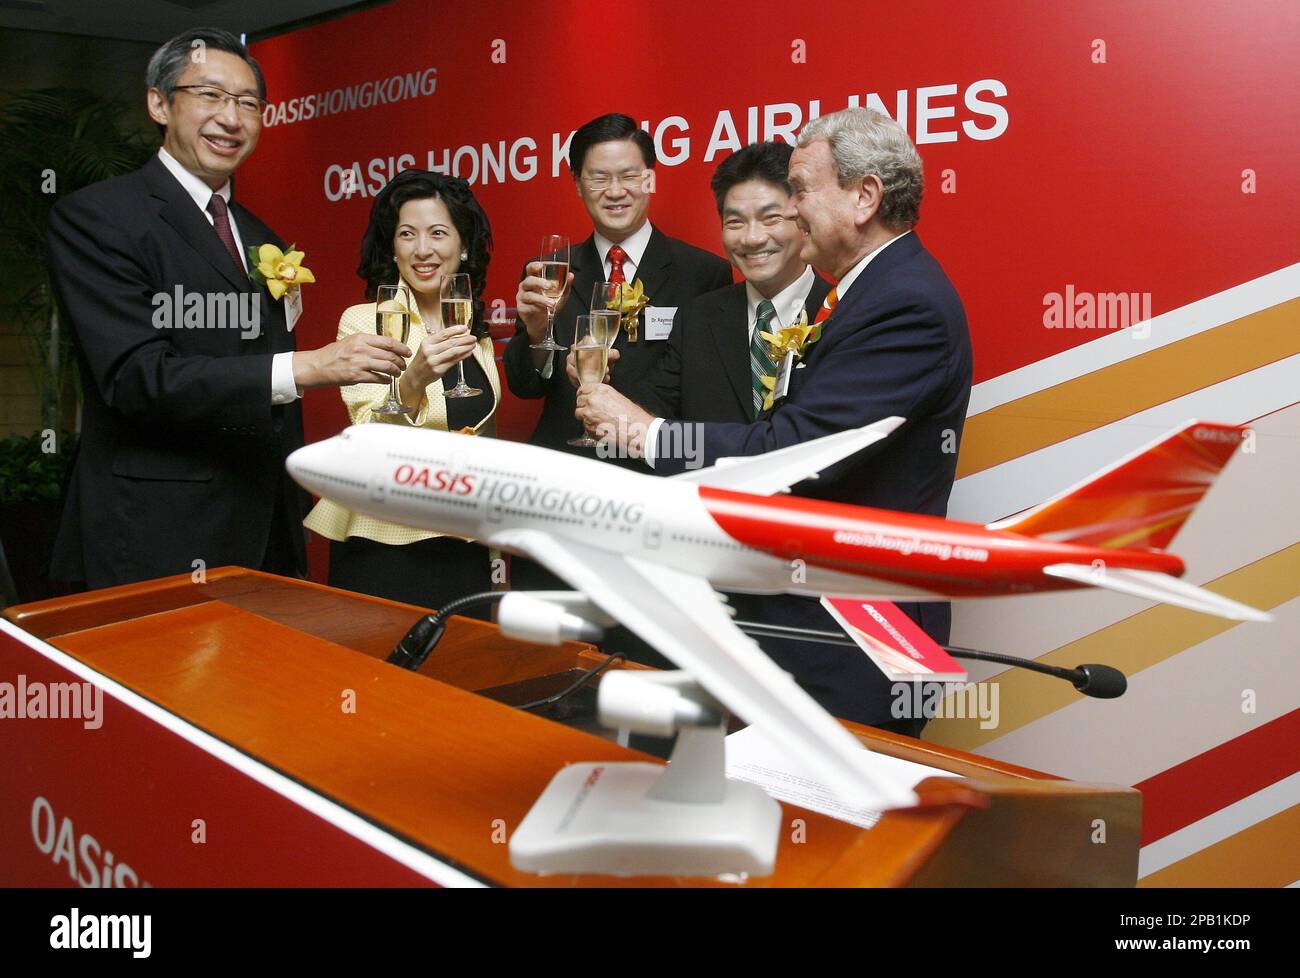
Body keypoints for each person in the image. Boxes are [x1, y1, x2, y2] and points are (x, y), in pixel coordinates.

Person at [576, 109, 973, 732]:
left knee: (835, 821)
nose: (792, 210)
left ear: (864, 196)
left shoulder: (903, 303)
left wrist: (644, 432)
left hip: (858, 632)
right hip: (806, 622)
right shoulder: (871, 290)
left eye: (801, 191)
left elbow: (797, 448)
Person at [46, 27, 409, 590]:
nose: (231, 118)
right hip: (155, 535)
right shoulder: (99, 217)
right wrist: (309, 366)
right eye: (210, 95)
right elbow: (136, 377)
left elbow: (263, 386)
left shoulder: (261, 237)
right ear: (159, 103)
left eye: (248, 103)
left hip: (263, 532)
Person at [303, 170, 500, 614]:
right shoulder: (363, 321)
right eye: (407, 234)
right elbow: (369, 437)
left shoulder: (473, 328)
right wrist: (414, 378)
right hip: (386, 539)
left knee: (456, 674)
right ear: (393, 247)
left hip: (462, 538)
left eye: (437, 233)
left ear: (463, 245)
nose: (422, 249)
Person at [503, 112, 732, 454]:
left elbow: (710, 392)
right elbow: (525, 386)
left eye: (629, 176)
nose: (615, 191)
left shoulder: (703, 273)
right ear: (578, 184)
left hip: (654, 467)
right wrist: (537, 333)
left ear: (650, 180)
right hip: (566, 462)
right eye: (598, 178)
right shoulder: (550, 271)